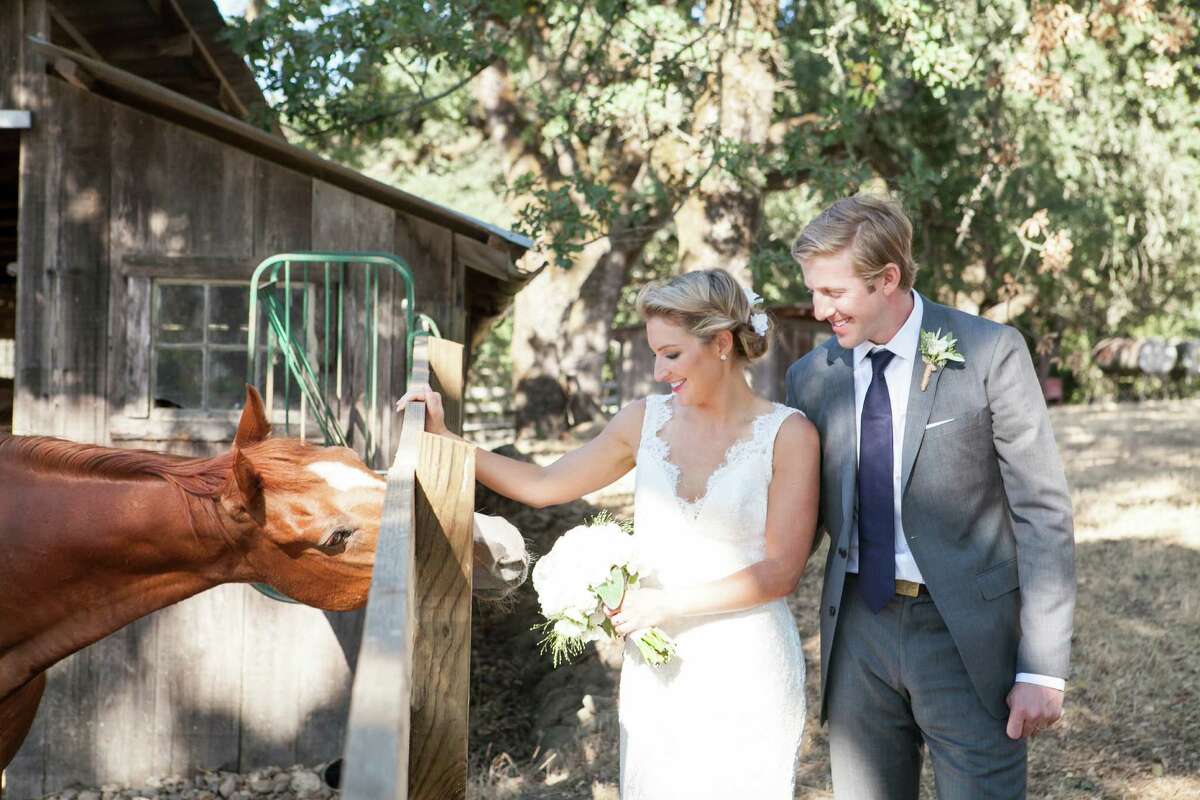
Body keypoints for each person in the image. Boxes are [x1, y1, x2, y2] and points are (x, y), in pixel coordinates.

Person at [397, 269, 819, 798]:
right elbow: (544, 485)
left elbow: (781, 572)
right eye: (655, 355)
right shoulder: (643, 421)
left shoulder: (789, 435)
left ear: (721, 343)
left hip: (747, 661)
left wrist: (666, 605)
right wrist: (447, 440)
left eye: (671, 354)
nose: (659, 371)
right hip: (658, 665)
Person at [785, 195, 1076, 799]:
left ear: (888, 278)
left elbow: (1042, 512)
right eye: (813, 291)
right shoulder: (811, 377)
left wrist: (1043, 667)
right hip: (857, 633)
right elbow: (796, 518)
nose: (818, 310)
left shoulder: (991, 351)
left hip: (966, 635)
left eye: (834, 292)